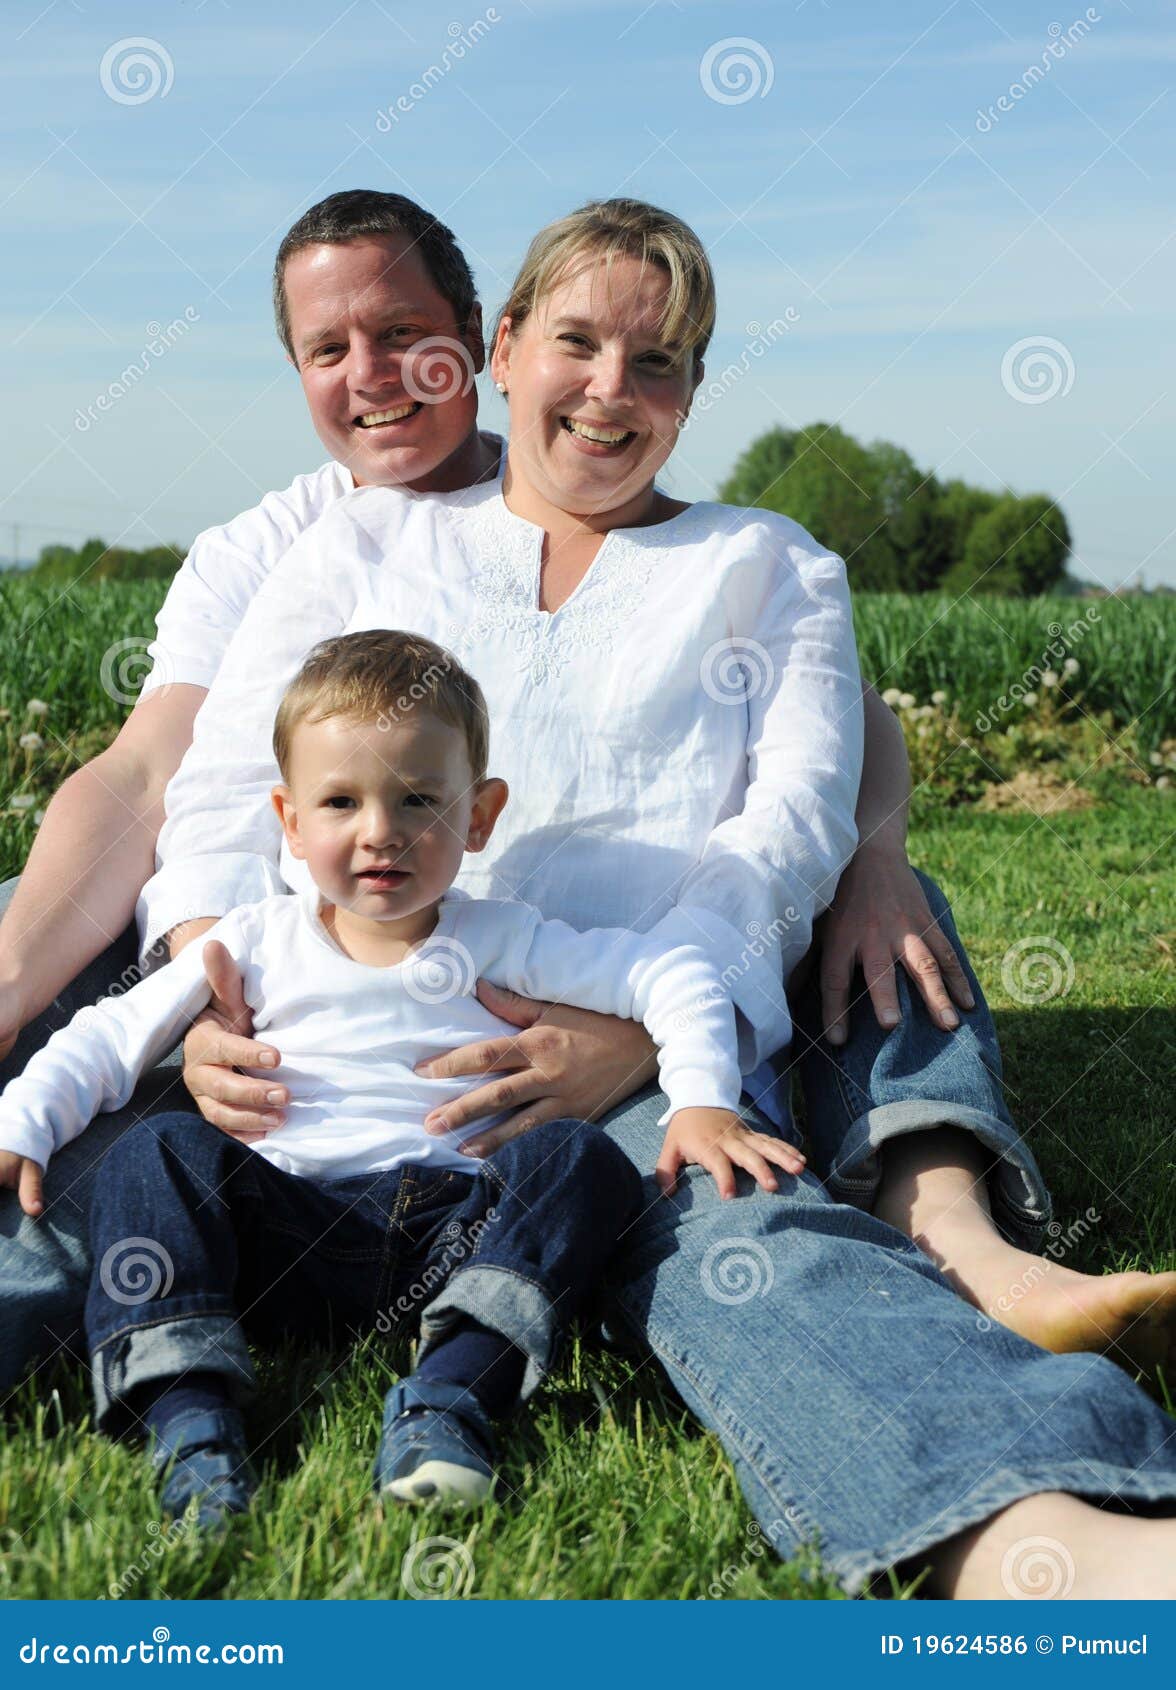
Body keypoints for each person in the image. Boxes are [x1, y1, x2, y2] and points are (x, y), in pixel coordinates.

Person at [66, 197, 1176, 1598]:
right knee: (90, 1200)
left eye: (658, 363)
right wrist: (207, 975)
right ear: (507, 348)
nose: (610, 390)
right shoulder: (369, 547)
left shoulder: (768, 566)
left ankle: (1052, 1529)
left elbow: (783, 827)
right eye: (577, 344)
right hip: (349, 1044)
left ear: (695, 389)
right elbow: (232, 784)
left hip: (646, 1031)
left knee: (739, 1231)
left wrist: (648, 1039)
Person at [0, 629, 808, 1527]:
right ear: (291, 822)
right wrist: (19, 1126)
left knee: (581, 1158)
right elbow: (109, 1036)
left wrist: (701, 1098)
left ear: (479, 815)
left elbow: (671, 974)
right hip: (283, 1230)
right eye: (340, 801)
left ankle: (447, 1400)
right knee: (157, 1151)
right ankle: (193, 1425)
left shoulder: (505, 936)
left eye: (419, 799)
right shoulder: (255, 939)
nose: (380, 832)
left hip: (458, 1233)